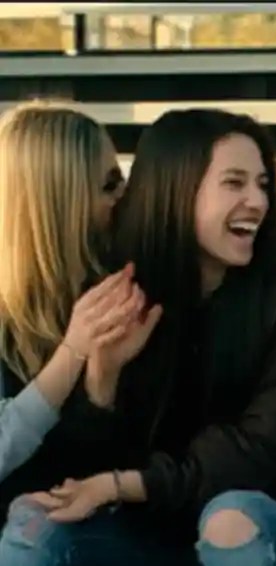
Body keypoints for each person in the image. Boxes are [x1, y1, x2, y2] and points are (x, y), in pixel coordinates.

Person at [0, 108, 276, 566]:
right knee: (34, 522)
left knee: (231, 516)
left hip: (259, 543)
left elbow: (257, 451)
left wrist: (125, 484)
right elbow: (84, 478)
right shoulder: (124, 290)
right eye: (234, 183)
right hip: (151, 550)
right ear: (179, 188)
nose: (256, 201)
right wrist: (102, 382)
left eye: (262, 183)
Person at [0, 100, 141, 499]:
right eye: (110, 185)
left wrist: (102, 384)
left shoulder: (117, 294)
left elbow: (91, 477)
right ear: (61, 202)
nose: (126, 197)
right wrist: (73, 352)